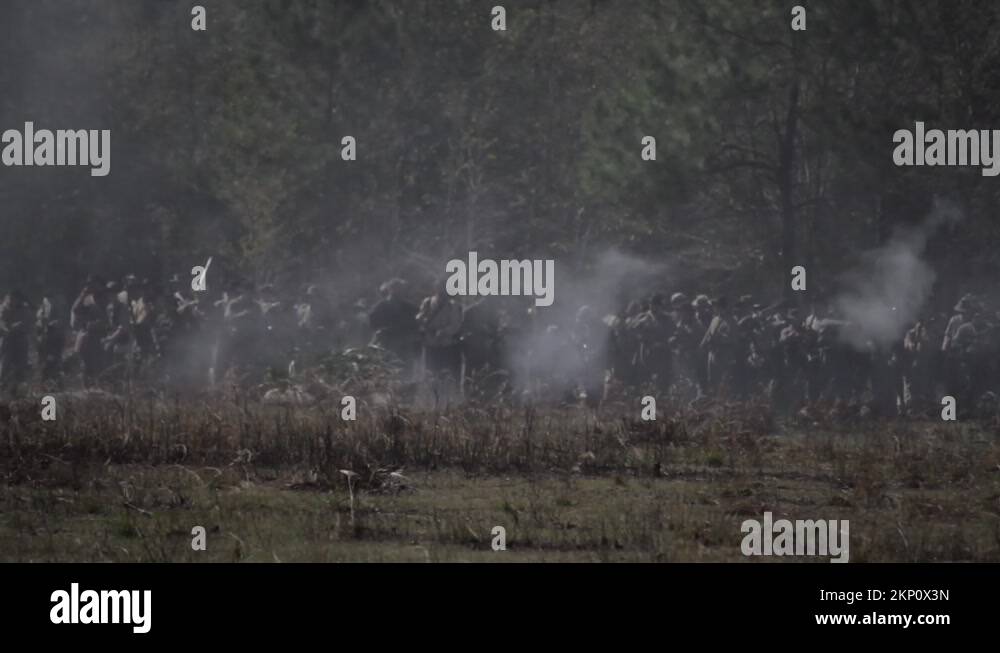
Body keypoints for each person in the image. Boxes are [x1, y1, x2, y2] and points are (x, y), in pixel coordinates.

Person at [0, 290, 34, 389]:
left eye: (14, 299)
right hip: (7, 339)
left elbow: (28, 323)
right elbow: (2, 322)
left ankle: (19, 386)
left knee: (21, 364)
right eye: (10, 299)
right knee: (5, 363)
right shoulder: (3, 308)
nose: (12, 301)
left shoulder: (24, 309)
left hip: (20, 338)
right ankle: (2, 384)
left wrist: (20, 326)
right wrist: (10, 327)